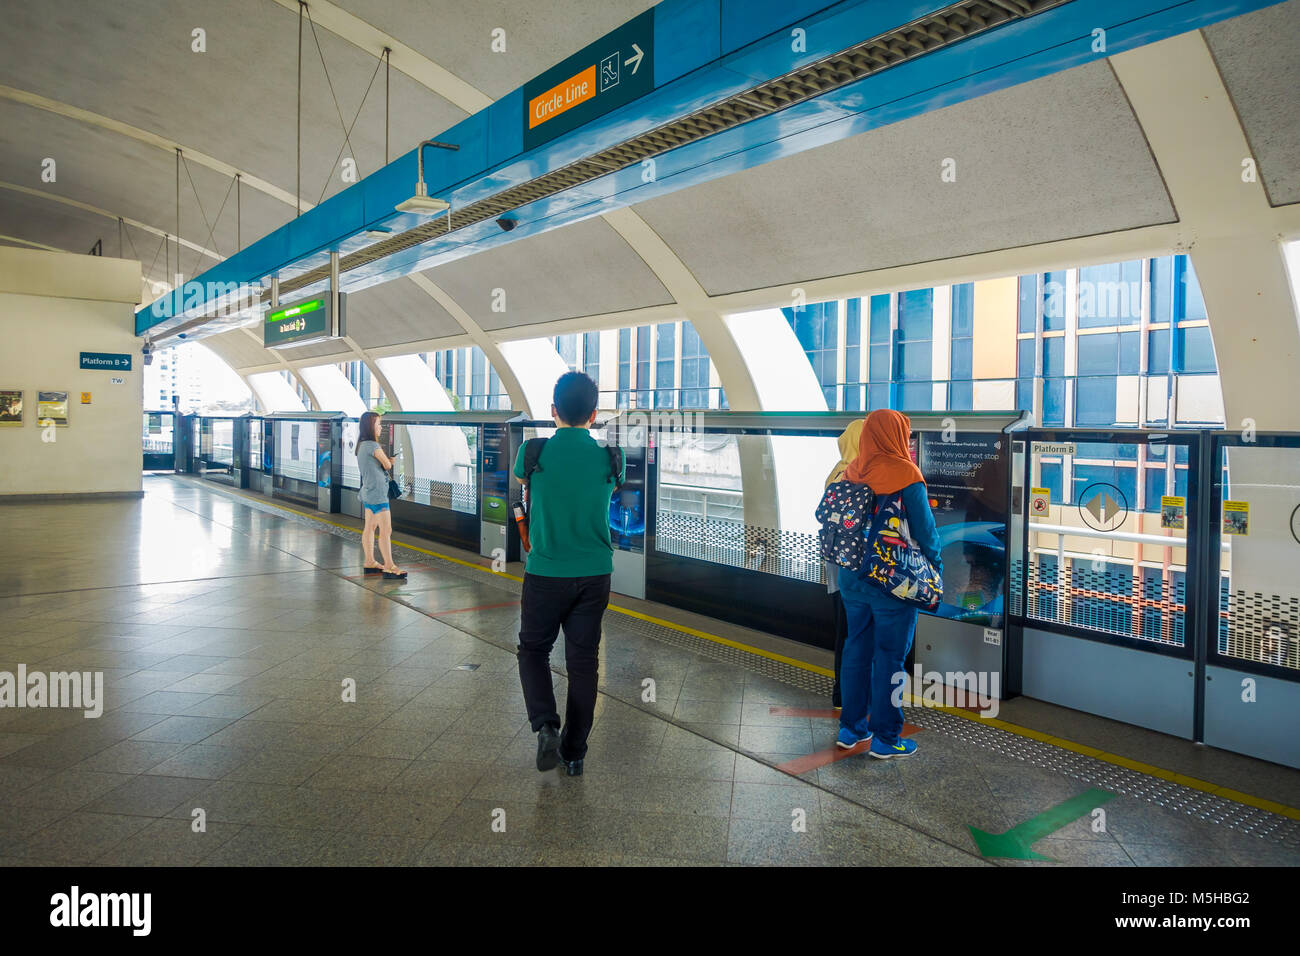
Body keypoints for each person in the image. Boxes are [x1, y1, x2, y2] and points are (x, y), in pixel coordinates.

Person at [514, 372, 624, 777]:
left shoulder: (532, 452)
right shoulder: (613, 458)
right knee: (583, 662)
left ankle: (546, 724)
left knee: (533, 650)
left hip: (545, 571)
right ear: (594, 414)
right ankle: (574, 753)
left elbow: (521, 482)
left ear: (553, 411)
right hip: (595, 574)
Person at [836, 409, 941, 759]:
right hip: (893, 583)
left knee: (856, 650)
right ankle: (886, 737)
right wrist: (935, 568)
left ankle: (851, 729)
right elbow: (926, 532)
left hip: (852, 579)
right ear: (896, 434)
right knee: (891, 658)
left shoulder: (852, 470)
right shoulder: (905, 474)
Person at [824, 419, 864, 711]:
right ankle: (850, 695)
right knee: (856, 633)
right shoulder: (861, 474)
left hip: (836, 567)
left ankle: (841, 693)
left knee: (843, 630)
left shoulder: (836, 471)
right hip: (856, 570)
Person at [356, 410, 406, 580]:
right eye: (378, 424)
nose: (380, 428)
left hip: (368, 491)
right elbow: (386, 465)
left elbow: (374, 465)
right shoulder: (373, 445)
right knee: (386, 530)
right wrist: (389, 461)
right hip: (378, 494)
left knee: (370, 527)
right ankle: (390, 566)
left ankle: (370, 561)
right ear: (371, 426)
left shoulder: (361, 445)